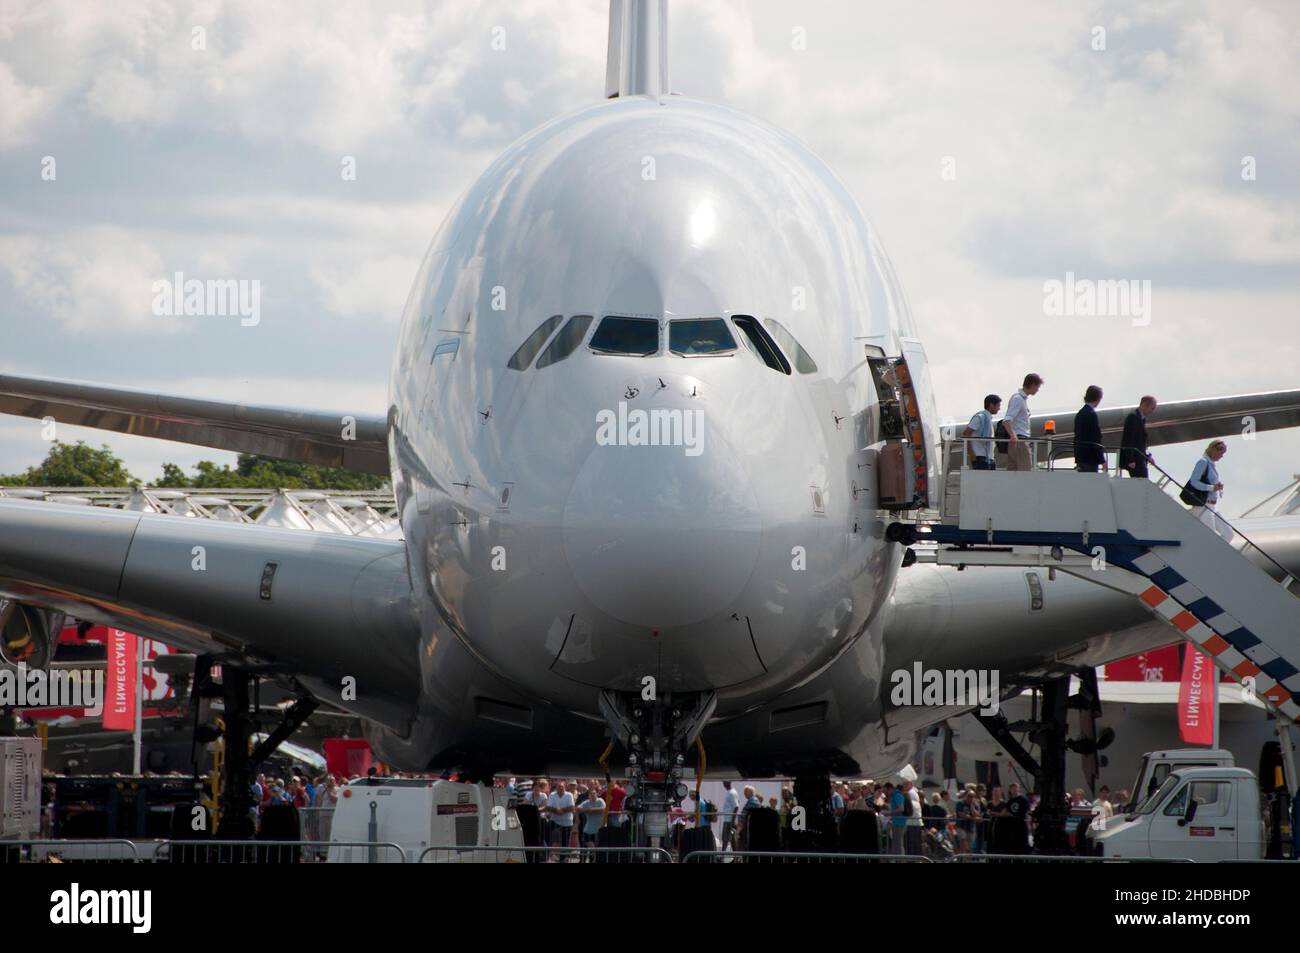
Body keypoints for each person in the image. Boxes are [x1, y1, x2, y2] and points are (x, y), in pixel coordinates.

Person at [1186, 440, 1232, 540]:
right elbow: (1194, 481)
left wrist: (1217, 487)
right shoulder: (1203, 462)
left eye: (1223, 452)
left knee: (1228, 534)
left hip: (1212, 506)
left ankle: (1216, 554)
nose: (1222, 455)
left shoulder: (1211, 465)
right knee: (1210, 538)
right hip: (1203, 505)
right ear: (1213, 449)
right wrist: (1211, 487)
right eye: (1221, 451)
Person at [1002, 373, 1043, 470]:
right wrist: (1013, 436)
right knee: (1025, 472)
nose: (1037, 390)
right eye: (1037, 387)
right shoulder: (1018, 399)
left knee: (1013, 473)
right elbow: (1007, 420)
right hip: (1020, 440)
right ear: (1032, 385)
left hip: (1018, 440)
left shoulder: (1020, 399)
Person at [1119, 395, 1157, 478]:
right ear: (1144, 405)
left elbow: (1142, 442)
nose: (1152, 411)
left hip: (1140, 458)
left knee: (1143, 480)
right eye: (1152, 408)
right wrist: (1130, 459)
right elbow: (1128, 439)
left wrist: (1148, 456)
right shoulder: (1133, 418)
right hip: (1135, 460)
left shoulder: (1141, 419)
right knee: (1142, 481)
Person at [962, 394, 1002, 470]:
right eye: (998, 405)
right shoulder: (980, 417)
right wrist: (971, 454)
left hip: (988, 457)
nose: (999, 408)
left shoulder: (988, 418)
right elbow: (966, 433)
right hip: (980, 456)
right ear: (991, 405)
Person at [1073, 385, 1107, 472]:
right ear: (1097, 398)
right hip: (1090, 458)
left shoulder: (1080, 413)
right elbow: (1095, 438)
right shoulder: (1091, 414)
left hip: (1080, 457)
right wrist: (1102, 459)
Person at [718, 780, 739, 850]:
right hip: (727, 819)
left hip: (729, 820)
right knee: (733, 841)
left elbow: (736, 807)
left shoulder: (732, 793)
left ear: (729, 782)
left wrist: (732, 821)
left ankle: (722, 857)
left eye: (725, 781)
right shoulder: (729, 792)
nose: (723, 783)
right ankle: (736, 858)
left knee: (725, 839)